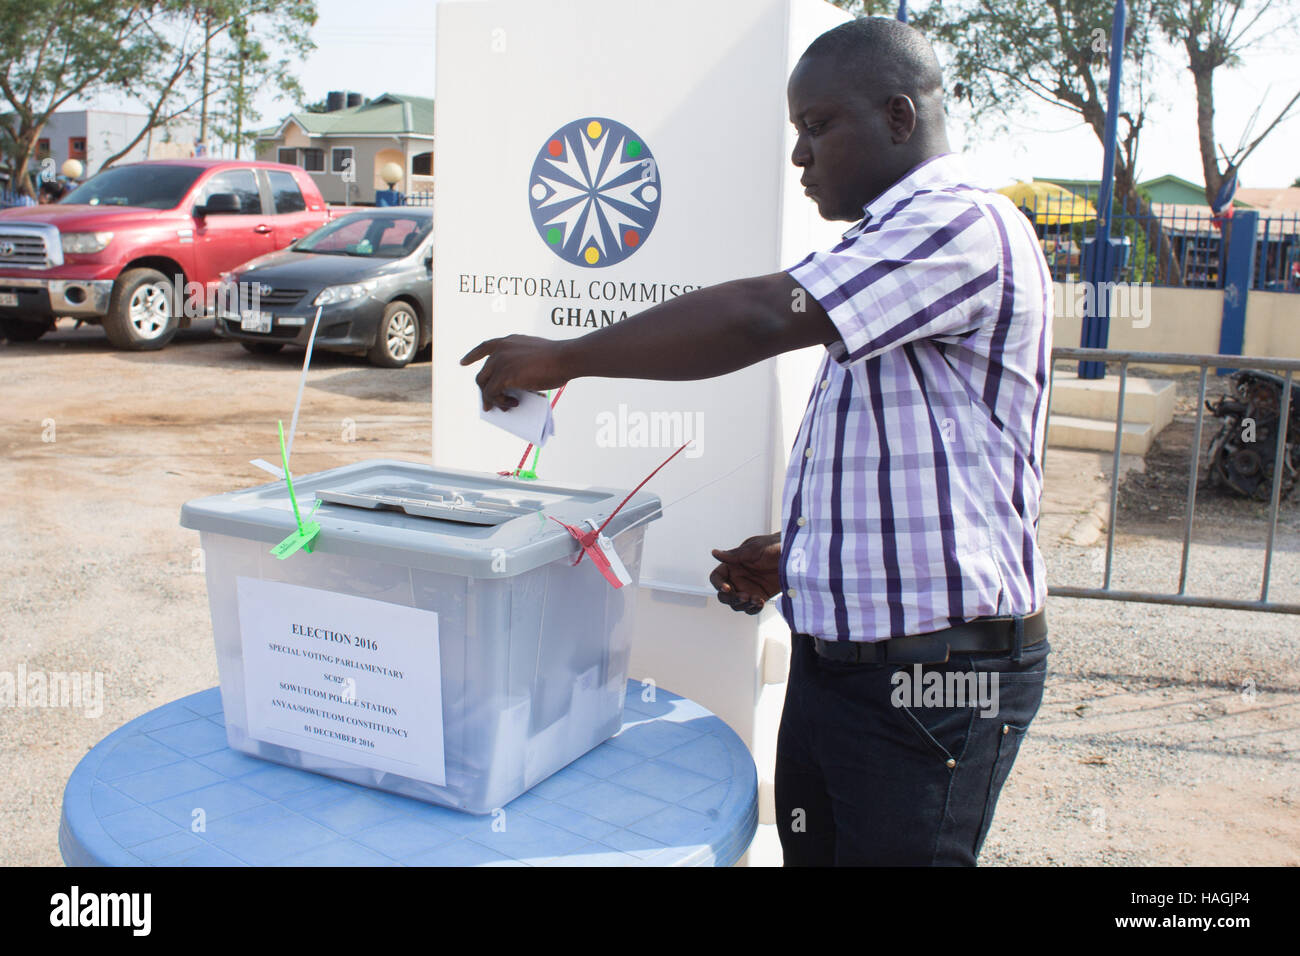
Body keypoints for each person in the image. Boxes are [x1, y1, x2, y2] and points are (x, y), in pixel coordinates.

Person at [461, 16, 1053, 866]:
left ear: (897, 117)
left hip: (931, 681)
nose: (800, 157)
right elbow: (908, 455)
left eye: (818, 126)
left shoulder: (960, 225)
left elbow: (761, 316)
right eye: (795, 131)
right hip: (846, 669)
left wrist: (566, 356)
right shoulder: (883, 243)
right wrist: (809, 554)